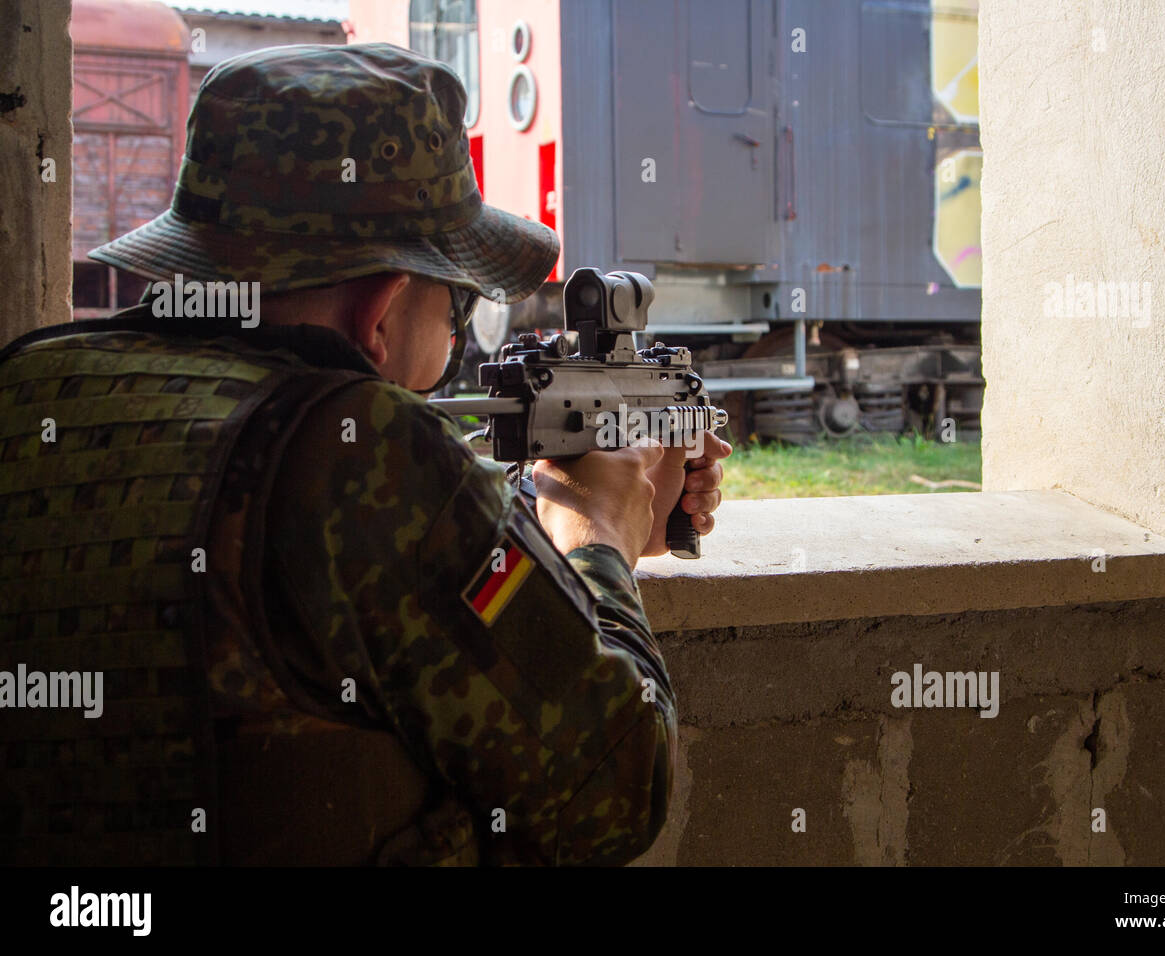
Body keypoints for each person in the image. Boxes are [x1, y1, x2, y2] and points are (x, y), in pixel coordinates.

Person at [0, 43, 729, 866]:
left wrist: (530, 521)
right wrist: (599, 529)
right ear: (381, 314)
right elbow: (616, 790)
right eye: (454, 307)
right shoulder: (364, 452)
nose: (455, 333)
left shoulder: (29, 383)